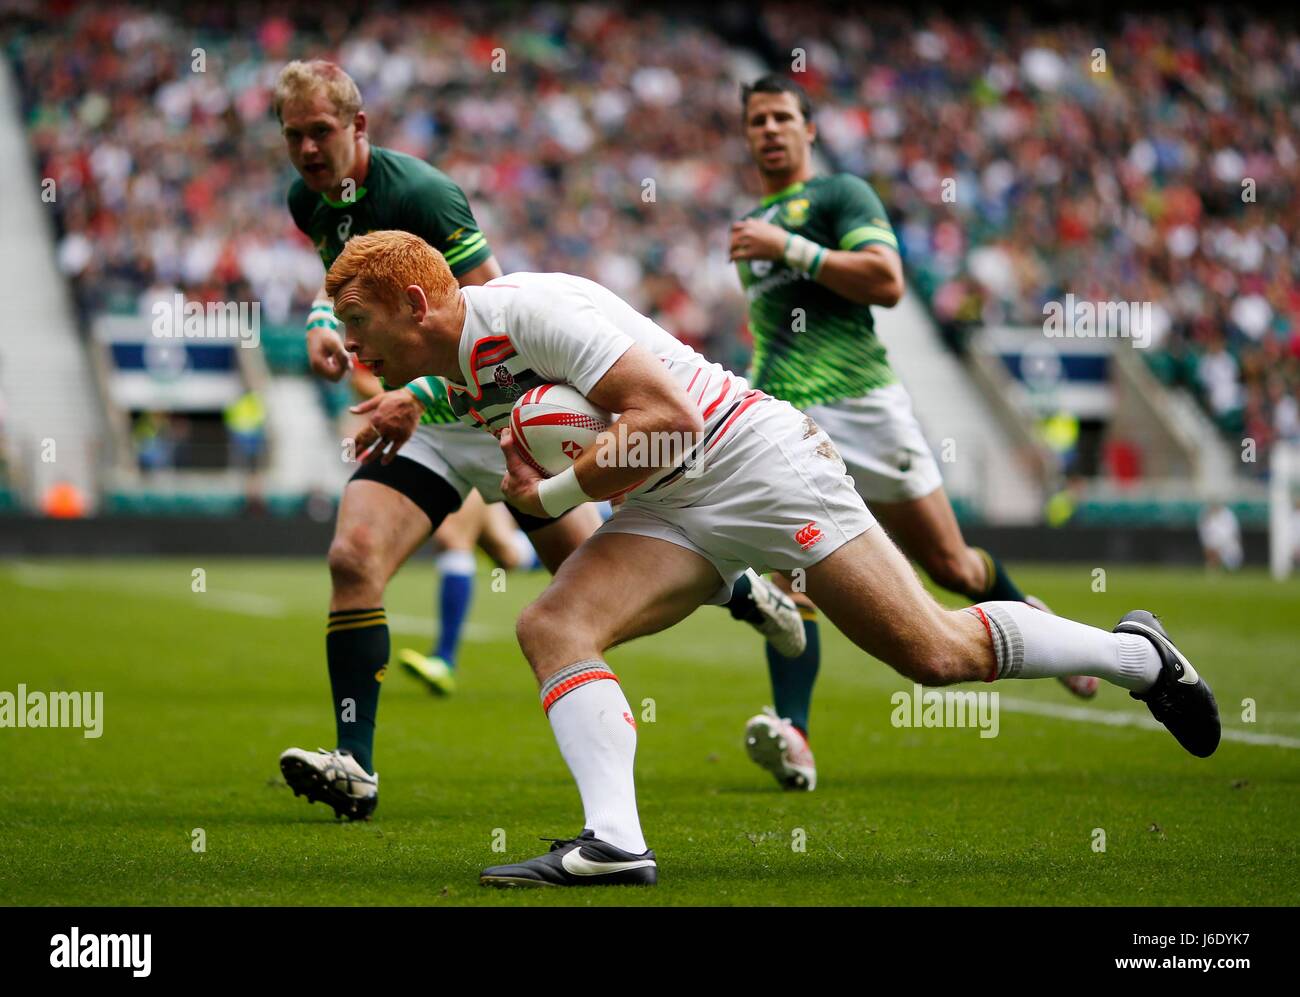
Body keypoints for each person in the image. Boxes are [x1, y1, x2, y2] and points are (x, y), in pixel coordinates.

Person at [324, 230, 1221, 886]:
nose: (353, 348)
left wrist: (551, 498)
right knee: (552, 623)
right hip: (670, 502)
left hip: (754, 460)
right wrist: (414, 401)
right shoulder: (452, 362)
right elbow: (473, 386)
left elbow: (666, 417)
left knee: (935, 654)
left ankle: (1138, 657)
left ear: (416, 303)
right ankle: (614, 843)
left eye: (359, 324)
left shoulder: (532, 310)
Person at [274, 62, 804, 819]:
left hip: (496, 417)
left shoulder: (422, 195)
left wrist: (416, 394)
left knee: (586, 590)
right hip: (419, 419)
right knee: (352, 558)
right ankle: (355, 765)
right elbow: (342, 282)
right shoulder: (308, 198)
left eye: (321, 131)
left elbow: (489, 325)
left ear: (359, 127)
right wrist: (327, 325)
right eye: (293, 135)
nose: (307, 149)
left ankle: (738, 587)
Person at [727, 75, 1095, 790]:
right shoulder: (748, 222)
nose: (768, 129)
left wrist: (791, 247)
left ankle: (1054, 633)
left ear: (809, 129)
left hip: (863, 401)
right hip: (787, 414)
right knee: (793, 572)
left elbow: (887, 280)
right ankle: (794, 734)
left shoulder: (839, 196)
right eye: (755, 120)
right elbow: (774, 330)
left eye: (781, 117)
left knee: (952, 568)